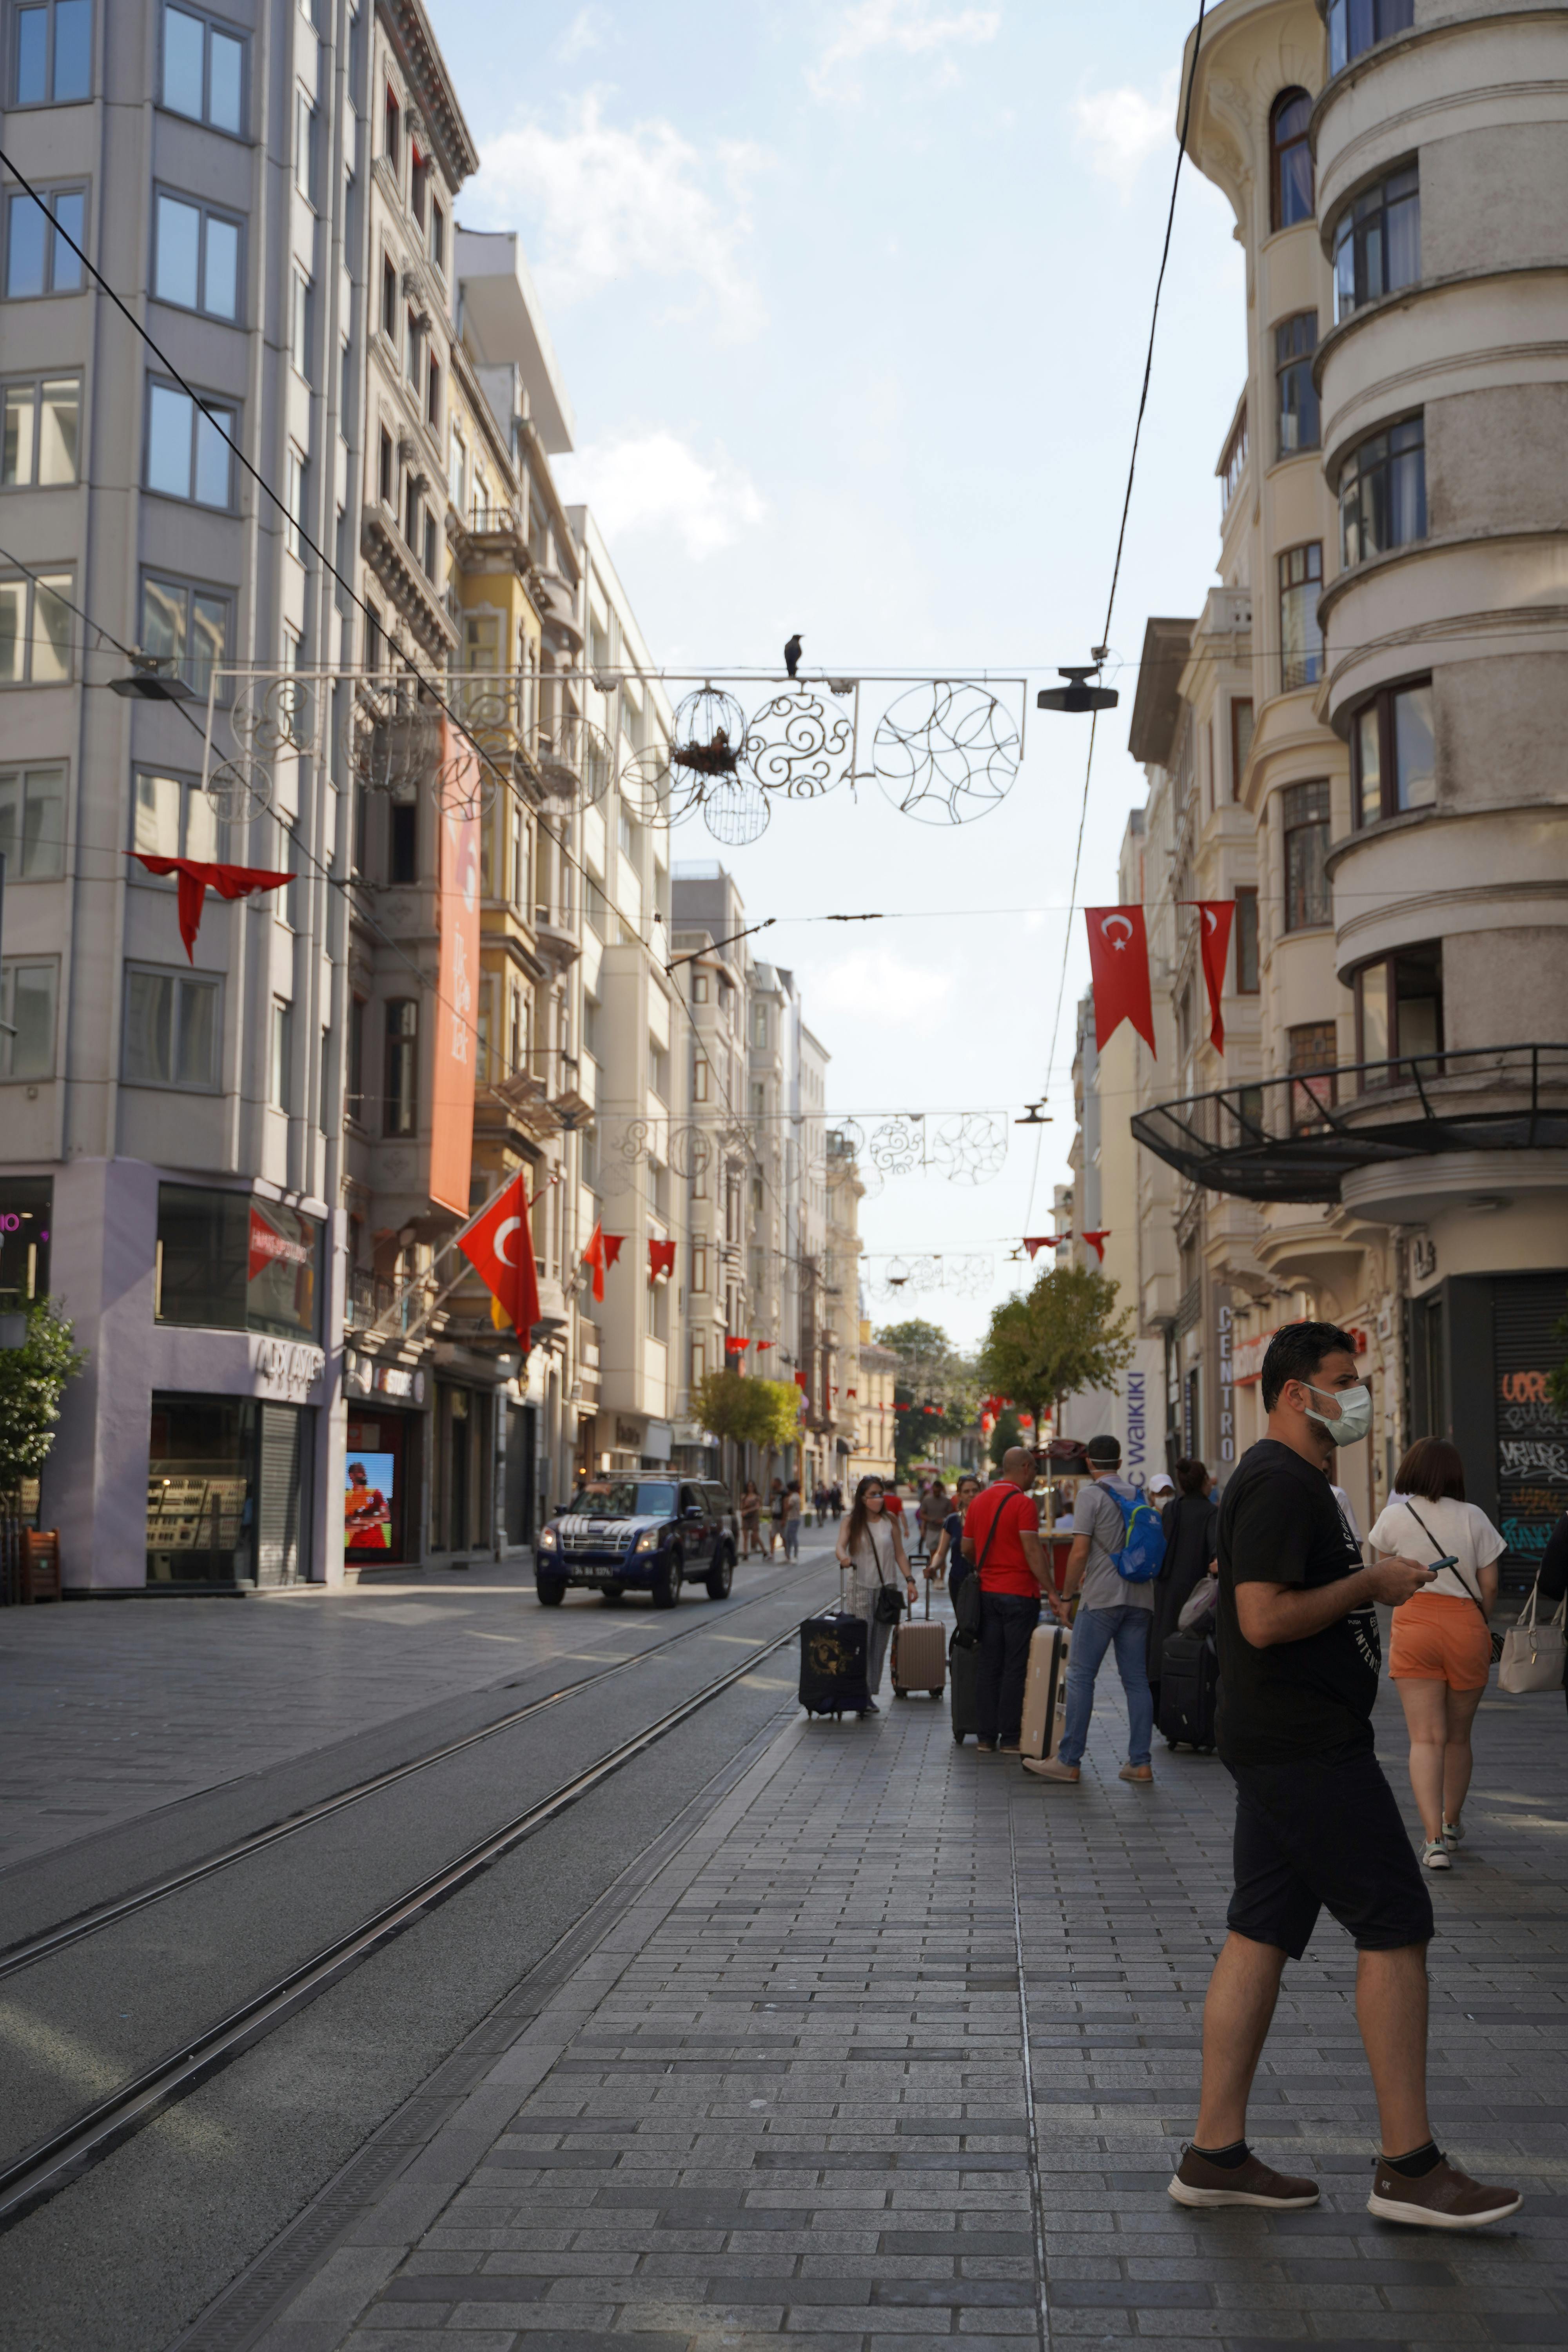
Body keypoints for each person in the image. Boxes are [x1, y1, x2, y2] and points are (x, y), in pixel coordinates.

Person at [1169, 1320, 1519, 2228]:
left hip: (1282, 1739)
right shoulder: (1280, 1482)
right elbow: (1261, 1618)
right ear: (1295, 1393)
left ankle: (1214, 2154)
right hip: (1304, 1744)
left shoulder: (1288, 1481)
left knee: (1259, 1931)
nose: (1355, 1393)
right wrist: (1369, 1585)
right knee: (1395, 1924)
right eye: (1342, 1378)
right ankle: (1409, 2167)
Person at [1370, 1438, 1503, 1870]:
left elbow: (1383, 1576)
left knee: (1425, 1738)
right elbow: (1490, 1586)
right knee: (1458, 1737)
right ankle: (1452, 1822)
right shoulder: (1474, 1516)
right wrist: (1476, 1621)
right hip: (1467, 1626)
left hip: (1415, 1624)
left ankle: (1432, 1843)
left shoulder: (1395, 1516)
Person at [1025, 1434, 1155, 1786]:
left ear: (1089, 1463)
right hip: (1141, 1598)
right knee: (1137, 1681)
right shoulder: (1139, 1494)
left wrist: (1067, 1596)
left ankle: (1069, 1760)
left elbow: (1080, 1551)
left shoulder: (1090, 1495)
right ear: (1120, 1463)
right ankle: (1141, 1763)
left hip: (1102, 1599)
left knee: (1081, 1676)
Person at [963, 1448, 1064, 1754]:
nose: (1035, 1476)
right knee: (1015, 1666)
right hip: (1020, 1594)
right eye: (1035, 1469)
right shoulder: (1023, 1504)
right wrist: (1052, 1591)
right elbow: (1033, 1551)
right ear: (1025, 1467)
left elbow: (966, 1548)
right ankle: (1009, 1738)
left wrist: (986, 1565)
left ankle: (985, 1737)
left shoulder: (979, 1502)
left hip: (987, 1594)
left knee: (988, 1664)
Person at [836, 1474, 916, 1713]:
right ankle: (859, 1693)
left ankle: (869, 1694)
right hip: (860, 1587)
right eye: (873, 1495)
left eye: (881, 1494)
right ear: (863, 1498)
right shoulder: (852, 1522)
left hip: (887, 1590)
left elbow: (900, 1553)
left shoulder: (890, 1520)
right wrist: (844, 1558)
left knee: (879, 1645)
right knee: (862, 1642)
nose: (879, 1499)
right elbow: (840, 1546)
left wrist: (910, 1580)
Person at [1149, 1458, 1220, 1722]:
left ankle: (1163, 1710)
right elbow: (1215, 1555)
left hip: (1165, 1591)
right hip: (1196, 1596)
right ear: (1204, 1483)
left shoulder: (1172, 1509)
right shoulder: (1210, 1513)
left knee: (1163, 1649)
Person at [929, 1473, 980, 1603]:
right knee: (962, 1615)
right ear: (960, 1496)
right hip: (958, 1579)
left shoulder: (989, 1519)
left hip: (983, 1580)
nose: (971, 1494)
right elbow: (941, 1553)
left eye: (975, 1491)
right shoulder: (952, 1521)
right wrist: (933, 1567)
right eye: (967, 1492)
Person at [740, 1480, 763, 1558]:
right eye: (749, 1486)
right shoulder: (744, 1496)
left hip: (753, 1517)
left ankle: (764, 1550)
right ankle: (745, 1553)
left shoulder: (757, 1497)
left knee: (756, 1535)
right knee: (745, 1536)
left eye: (752, 1486)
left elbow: (757, 1507)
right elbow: (742, 1507)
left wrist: (748, 1511)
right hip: (746, 1518)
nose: (750, 1488)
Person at [783, 1481, 804, 1560]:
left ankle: (794, 1555)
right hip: (794, 1519)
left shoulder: (793, 1498)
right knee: (789, 1537)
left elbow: (788, 1508)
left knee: (792, 1537)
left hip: (793, 1519)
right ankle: (789, 1555)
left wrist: (785, 1502)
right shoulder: (796, 1496)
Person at [768, 1477, 785, 1555]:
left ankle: (786, 1553)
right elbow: (771, 1505)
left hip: (781, 1517)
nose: (773, 1484)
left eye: (774, 1483)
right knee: (772, 1535)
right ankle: (772, 1553)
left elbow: (785, 1506)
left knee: (783, 1536)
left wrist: (784, 1519)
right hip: (774, 1517)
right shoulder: (773, 1493)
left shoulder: (783, 1493)